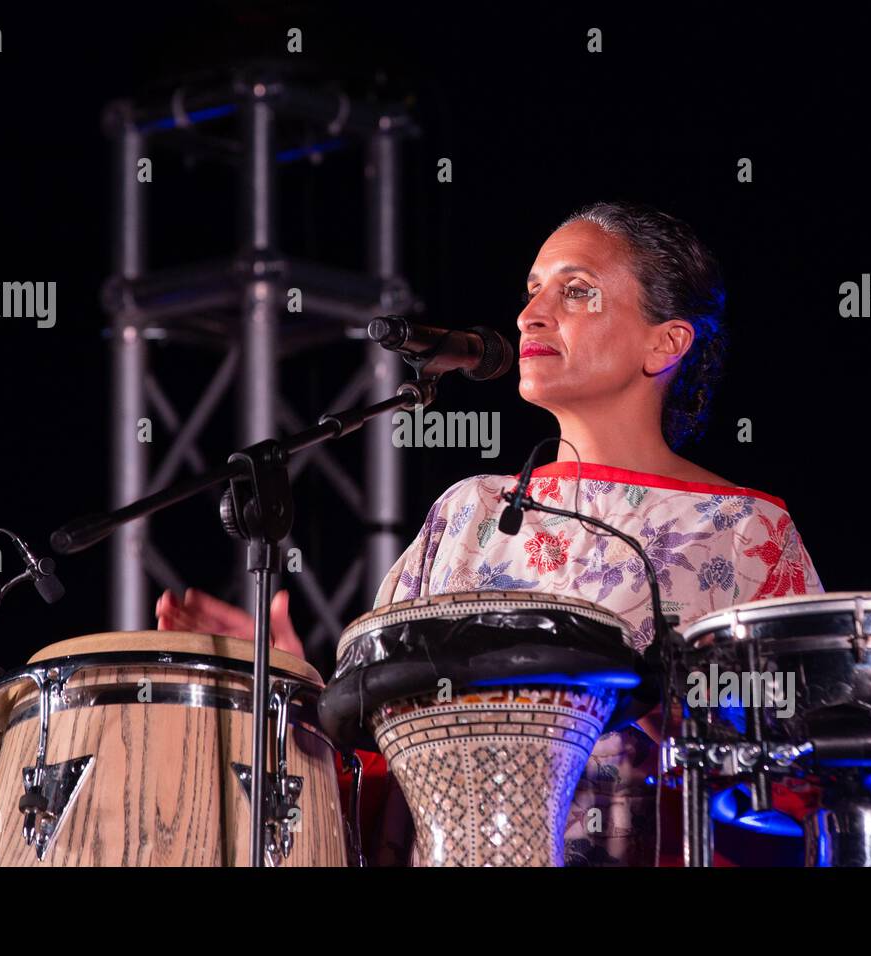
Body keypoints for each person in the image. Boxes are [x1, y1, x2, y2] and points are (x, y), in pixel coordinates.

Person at [157, 200, 824, 865]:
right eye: (533, 290)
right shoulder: (467, 513)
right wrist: (289, 684)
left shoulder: (746, 531)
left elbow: (801, 782)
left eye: (578, 291)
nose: (530, 315)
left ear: (666, 343)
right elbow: (380, 768)